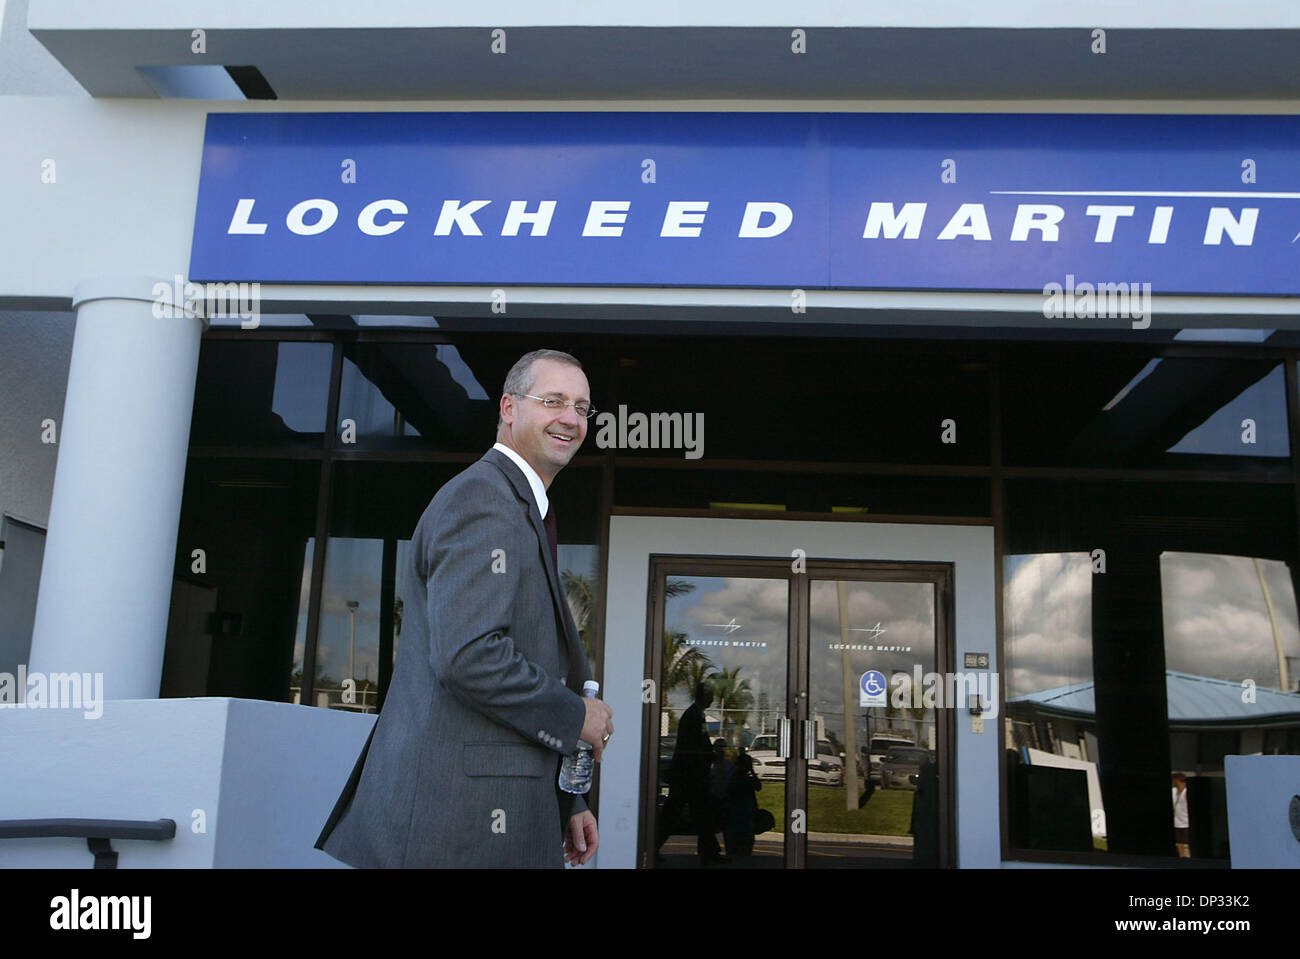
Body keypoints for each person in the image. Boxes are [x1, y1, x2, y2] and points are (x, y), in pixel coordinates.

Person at [314, 349, 615, 868]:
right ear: (508, 407)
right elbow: (470, 655)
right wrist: (575, 717)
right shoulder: (483, 499)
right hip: (456, 827)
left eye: (582, 408)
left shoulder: (517, 505)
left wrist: (567, 799)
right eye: (554, 401)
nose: (571, 418)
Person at [1171, 772, 1190, 857]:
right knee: (1179, 844)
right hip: (1177, 822)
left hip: (1186, 822)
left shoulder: (1186, 791)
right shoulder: (1174, 791)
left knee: (1187, 843)